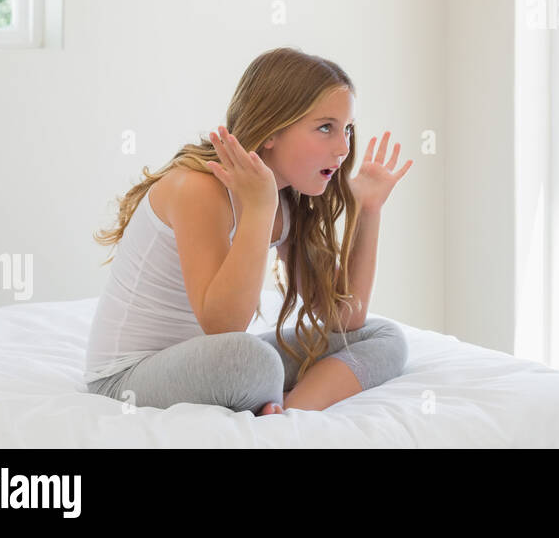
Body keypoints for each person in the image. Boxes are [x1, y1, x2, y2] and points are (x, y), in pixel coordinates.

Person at [84, 47, 413, 416]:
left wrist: (368, 211)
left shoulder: (289, 199)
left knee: (381, 336)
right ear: (272, 130)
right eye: (325, 128)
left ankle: (290, 415)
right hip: (128, 377)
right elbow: (224, 326)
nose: (343, 148)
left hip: (211, 361)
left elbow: (344, 318)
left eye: (347, 129)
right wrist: (258, 208)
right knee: (251, 360)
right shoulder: (198, 188)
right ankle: (271, 402)